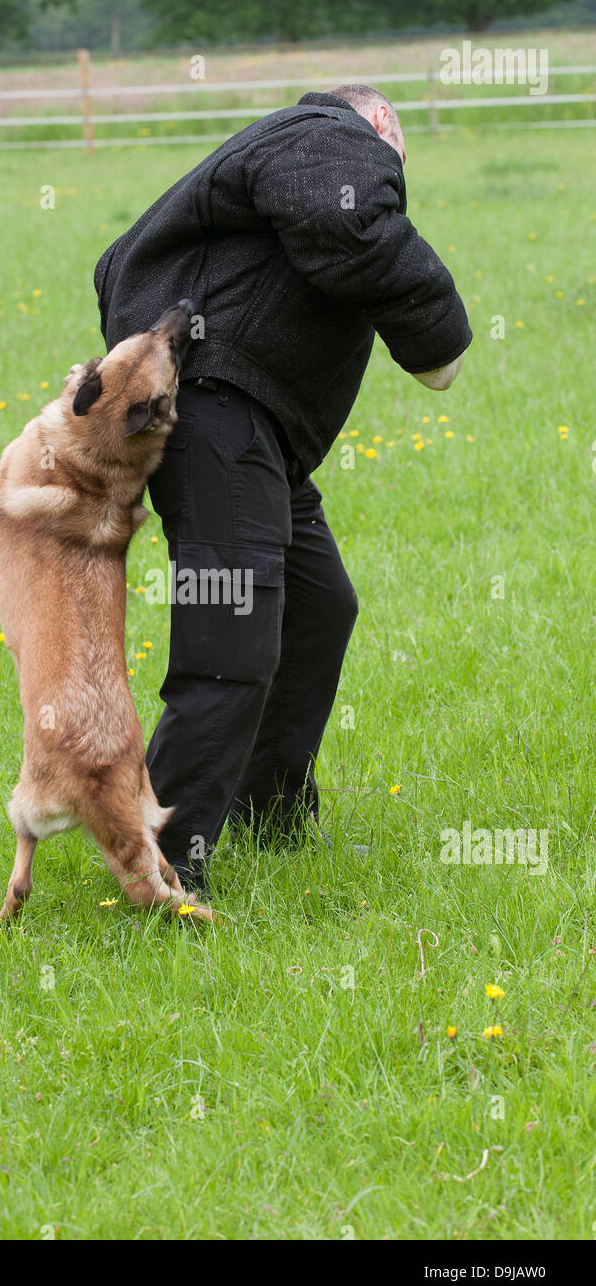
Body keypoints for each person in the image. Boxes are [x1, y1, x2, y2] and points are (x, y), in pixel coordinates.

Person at [94, 84, 472, 897]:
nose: (390, 171)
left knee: (318, 606)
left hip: (253, 429)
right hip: (220, 415)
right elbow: (344, 219)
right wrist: (437, 338)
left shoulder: (271, 154)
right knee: (232, 636)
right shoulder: (328, 132)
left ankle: (270, 812)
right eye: (393, 152)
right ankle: (158, 859)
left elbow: (114, 265)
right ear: (378, 123)